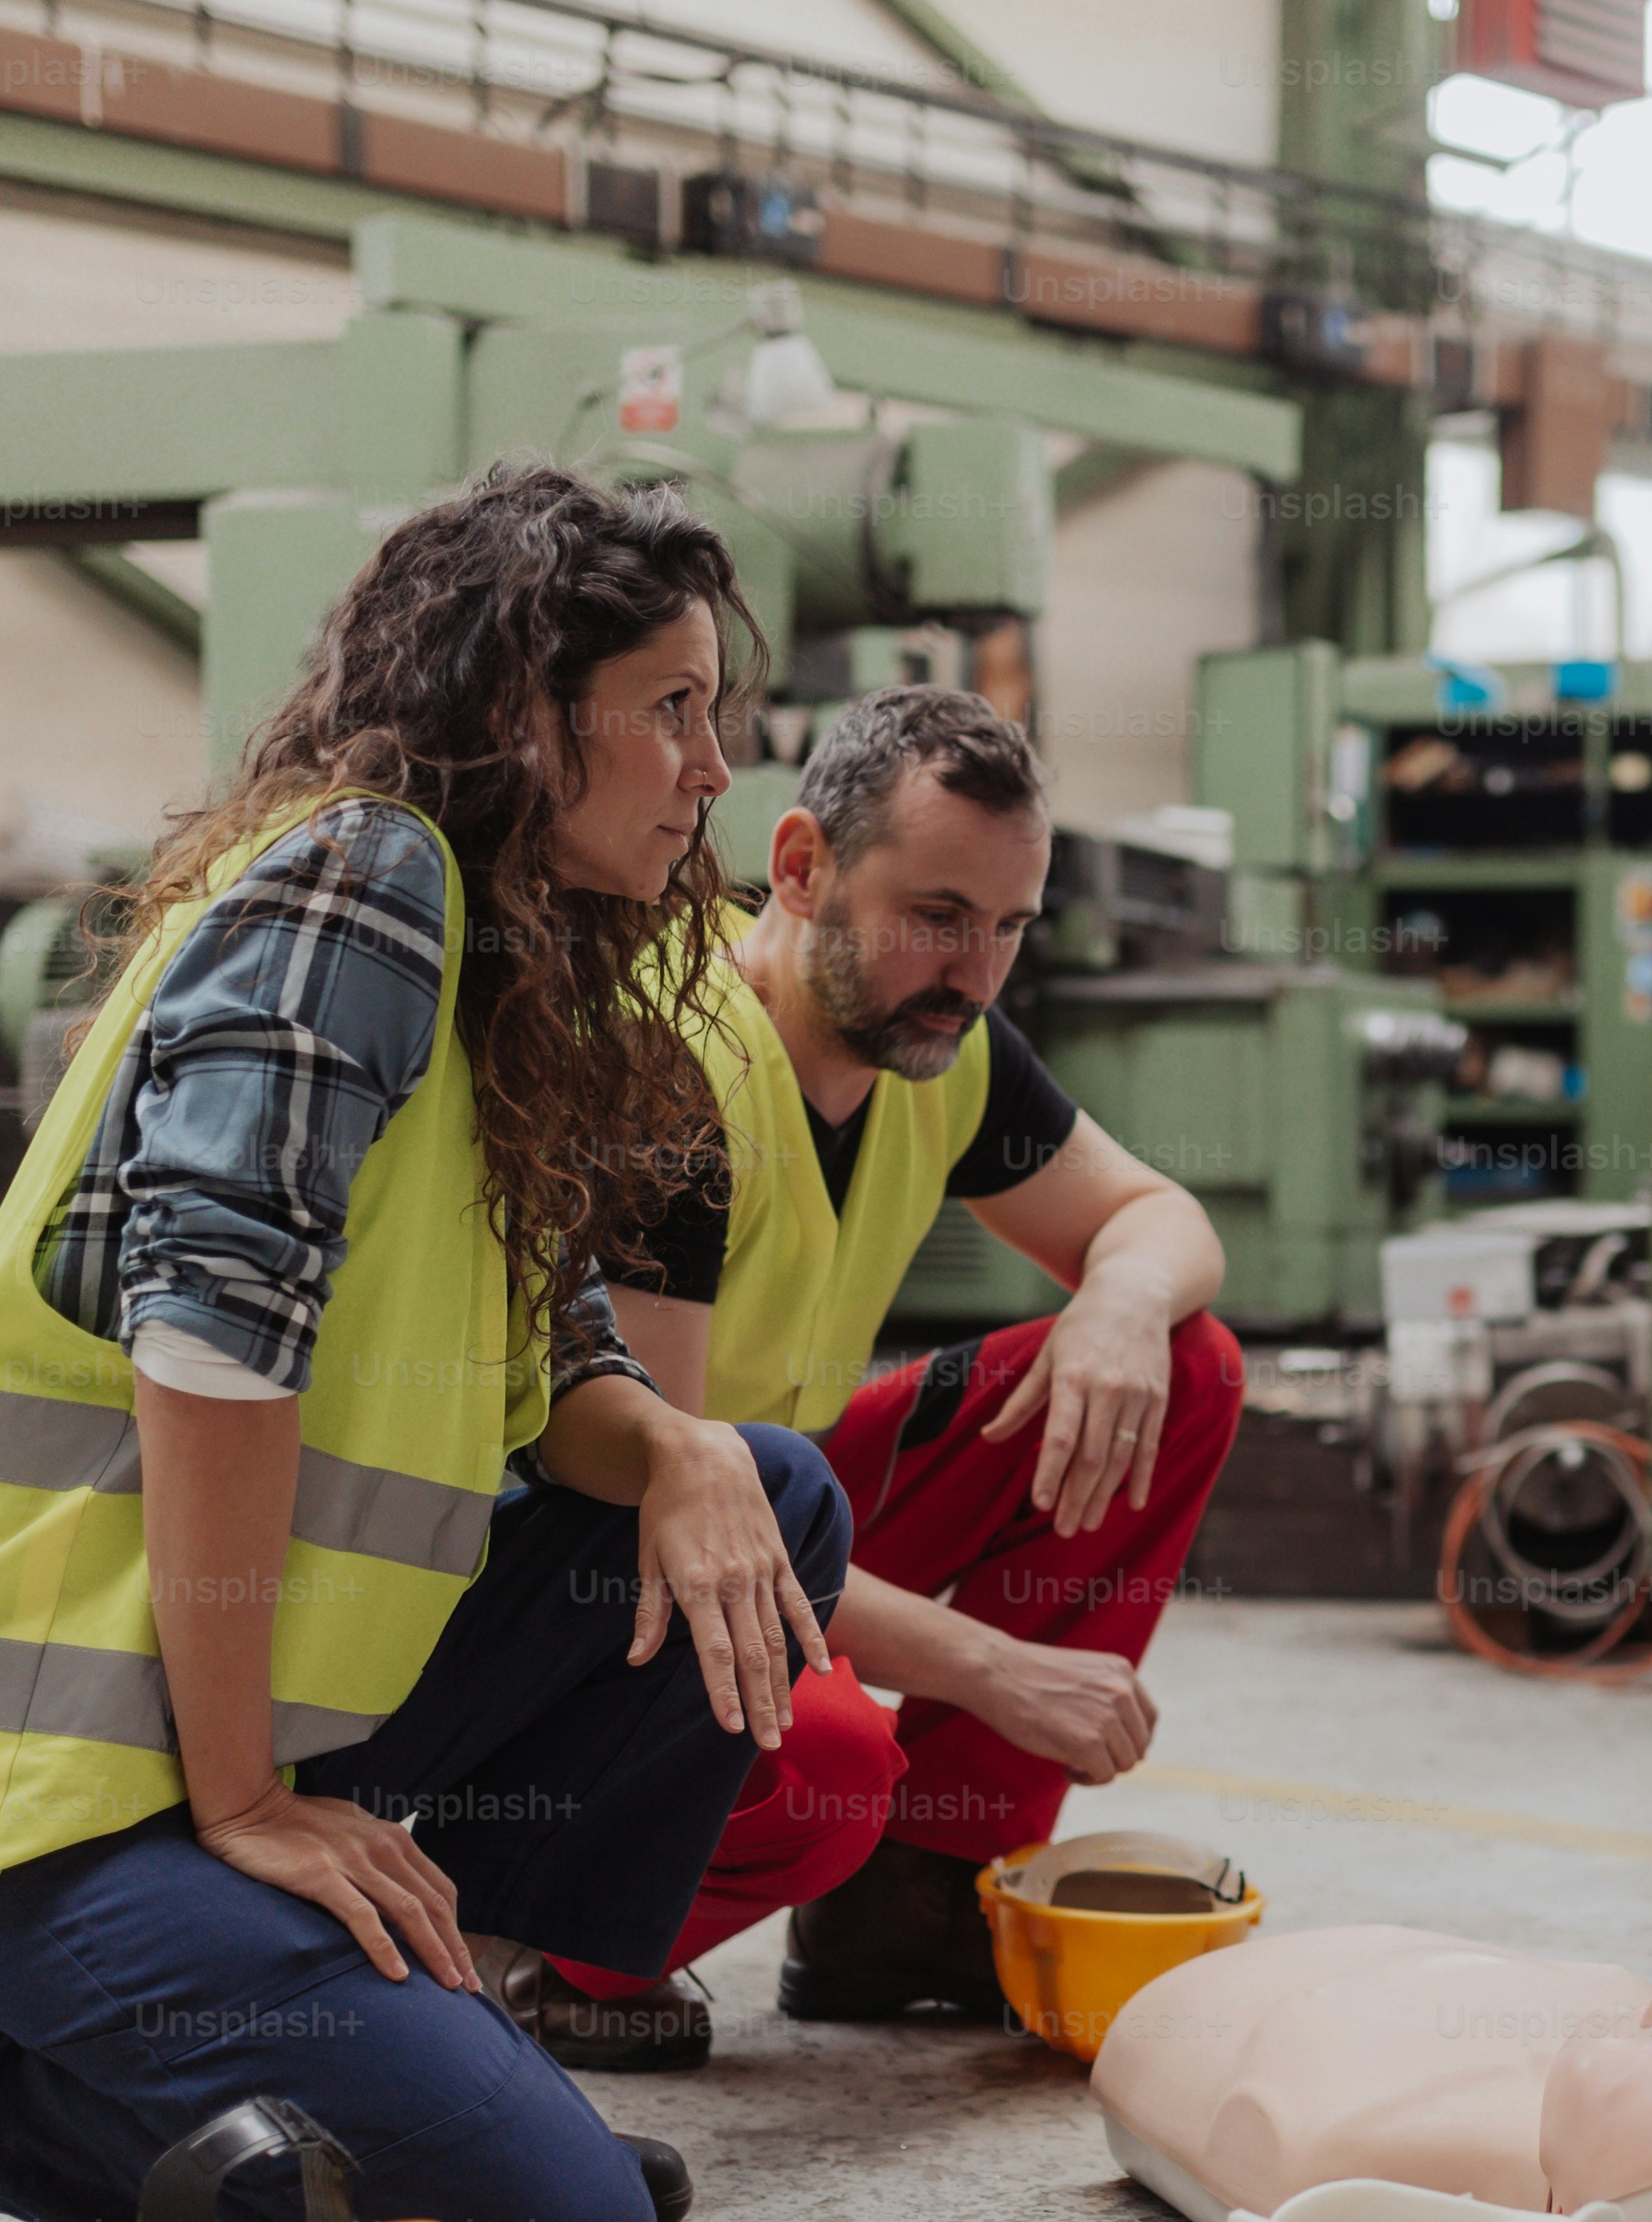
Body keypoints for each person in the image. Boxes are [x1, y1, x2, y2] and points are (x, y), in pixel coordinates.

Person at [0, 462, 851, 2222]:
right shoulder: (367, 877)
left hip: (198, 1728)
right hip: (37, 1775)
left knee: (769, 1494)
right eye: (669, 708)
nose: (710, 764)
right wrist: (238, 1797)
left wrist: (683, 1446)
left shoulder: (502, 968)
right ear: (517, 713)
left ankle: (436, 2050)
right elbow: (213, 1343)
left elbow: (554, 1360)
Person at [473, 687, 1242, 2071]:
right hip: (614, 1569)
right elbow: (669, 1509)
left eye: (1011, 927)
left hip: (785, 1507)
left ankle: (915, 1901)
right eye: (939, 914)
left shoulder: (933, 1046)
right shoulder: (676, 1064)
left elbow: (1164, 1222)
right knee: (828, 1773)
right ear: (802, 866)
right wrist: (999, 1670)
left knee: (1182, 1363)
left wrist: (1121, 1299)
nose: (978, 970)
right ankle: (558, 1935)